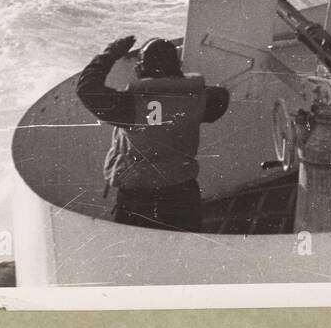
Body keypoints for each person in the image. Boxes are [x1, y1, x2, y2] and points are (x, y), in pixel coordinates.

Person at [77, 35, 230, 232]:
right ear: (178, 67)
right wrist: (182, 87)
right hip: (182, 192)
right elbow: (221, 96)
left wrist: (109, 54)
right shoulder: (204, 99)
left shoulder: (129, 105)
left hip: (138, 198)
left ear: (140, 69)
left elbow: (87, 89)